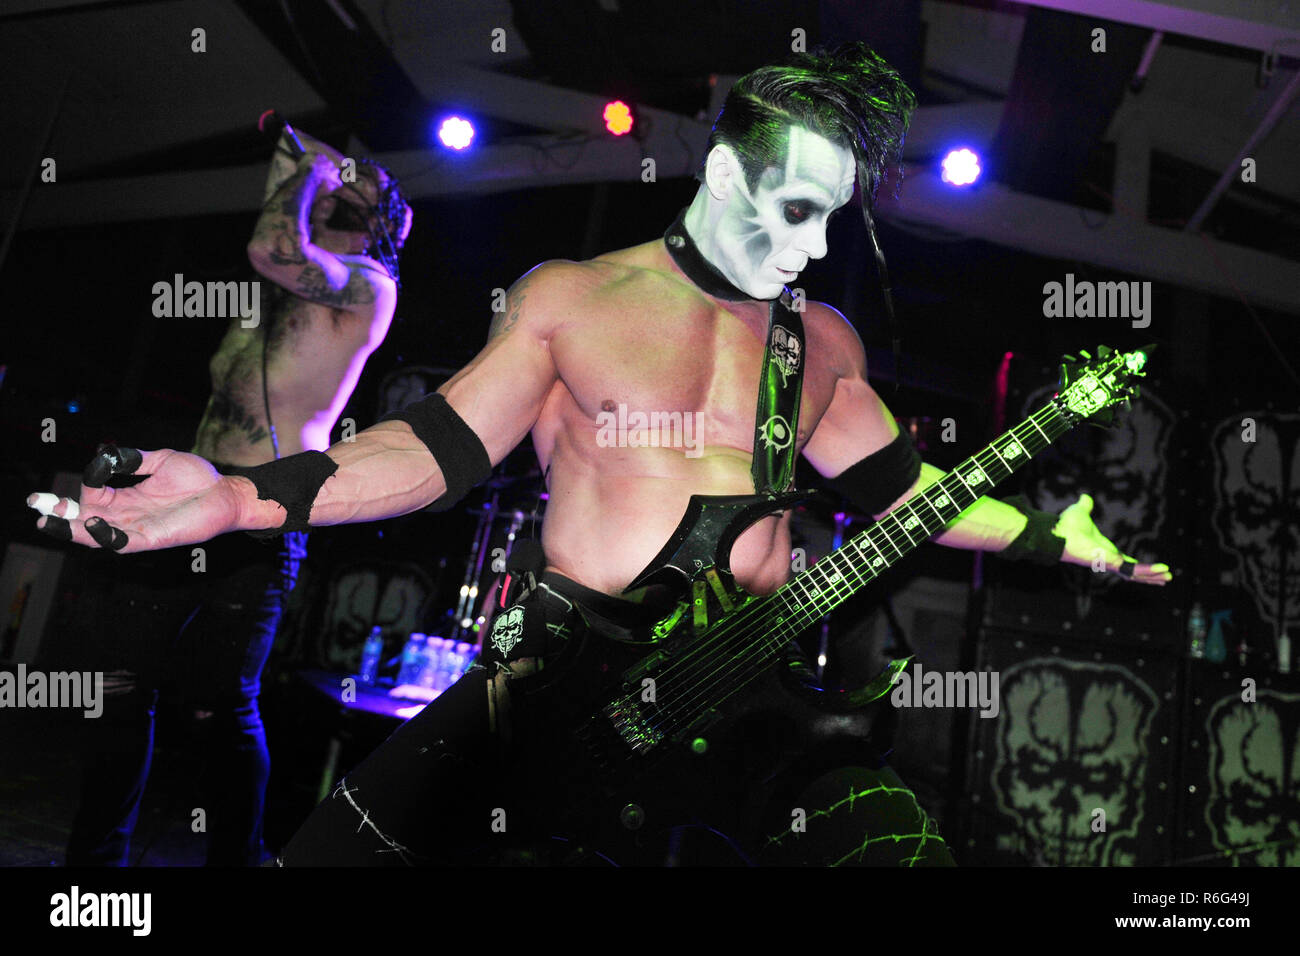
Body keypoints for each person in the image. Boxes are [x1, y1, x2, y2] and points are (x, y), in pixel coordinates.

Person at [29, 44, 1169, 866]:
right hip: (564, 694)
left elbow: (901, 492)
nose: (818, 245)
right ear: (725, 177)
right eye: (798, 209)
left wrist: (1053, 538)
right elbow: (435, 448)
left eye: (836, 217)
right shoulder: (574, 298)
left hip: (753, 707)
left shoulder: (819, 343)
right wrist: (238, 496)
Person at [31, 127, 412, 866]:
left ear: (379, 223)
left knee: (222, 704)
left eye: (352, 193)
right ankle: (93, 865)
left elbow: (271, 244)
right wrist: (300, 165)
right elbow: (276, 222)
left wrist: (316, 172)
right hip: (186, 498)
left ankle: (237, 860)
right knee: (122, 685)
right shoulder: (282, 294)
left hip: (261, 512)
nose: (334, 192)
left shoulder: (368, 286)